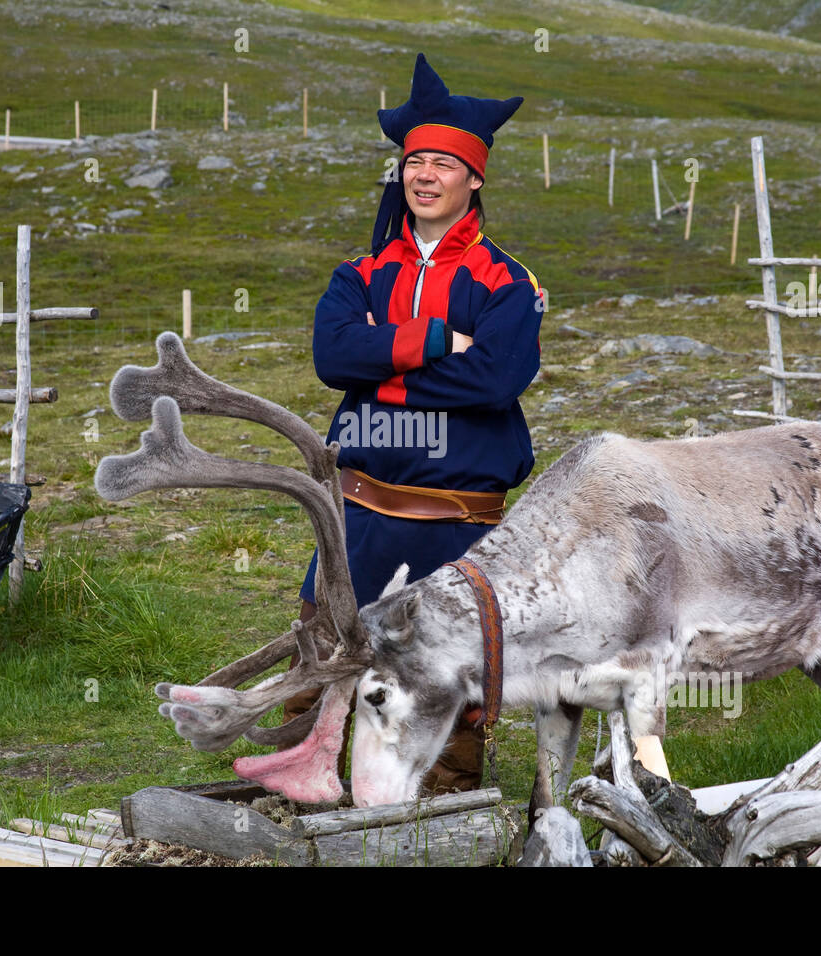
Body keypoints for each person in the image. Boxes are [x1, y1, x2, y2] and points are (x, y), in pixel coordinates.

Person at [283, 52, 544, 795]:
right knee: (321, 662)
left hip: (457, 527)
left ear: (474, 178)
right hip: (358, 516)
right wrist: (435, 342)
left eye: (441, 163)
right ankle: (303, 798)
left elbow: (497, 378)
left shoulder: (506, 282)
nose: (423, 175)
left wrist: (385, 365)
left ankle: (446, 820)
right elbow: (334, 355)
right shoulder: (357, 275)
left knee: (449, 685)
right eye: (413, 161)